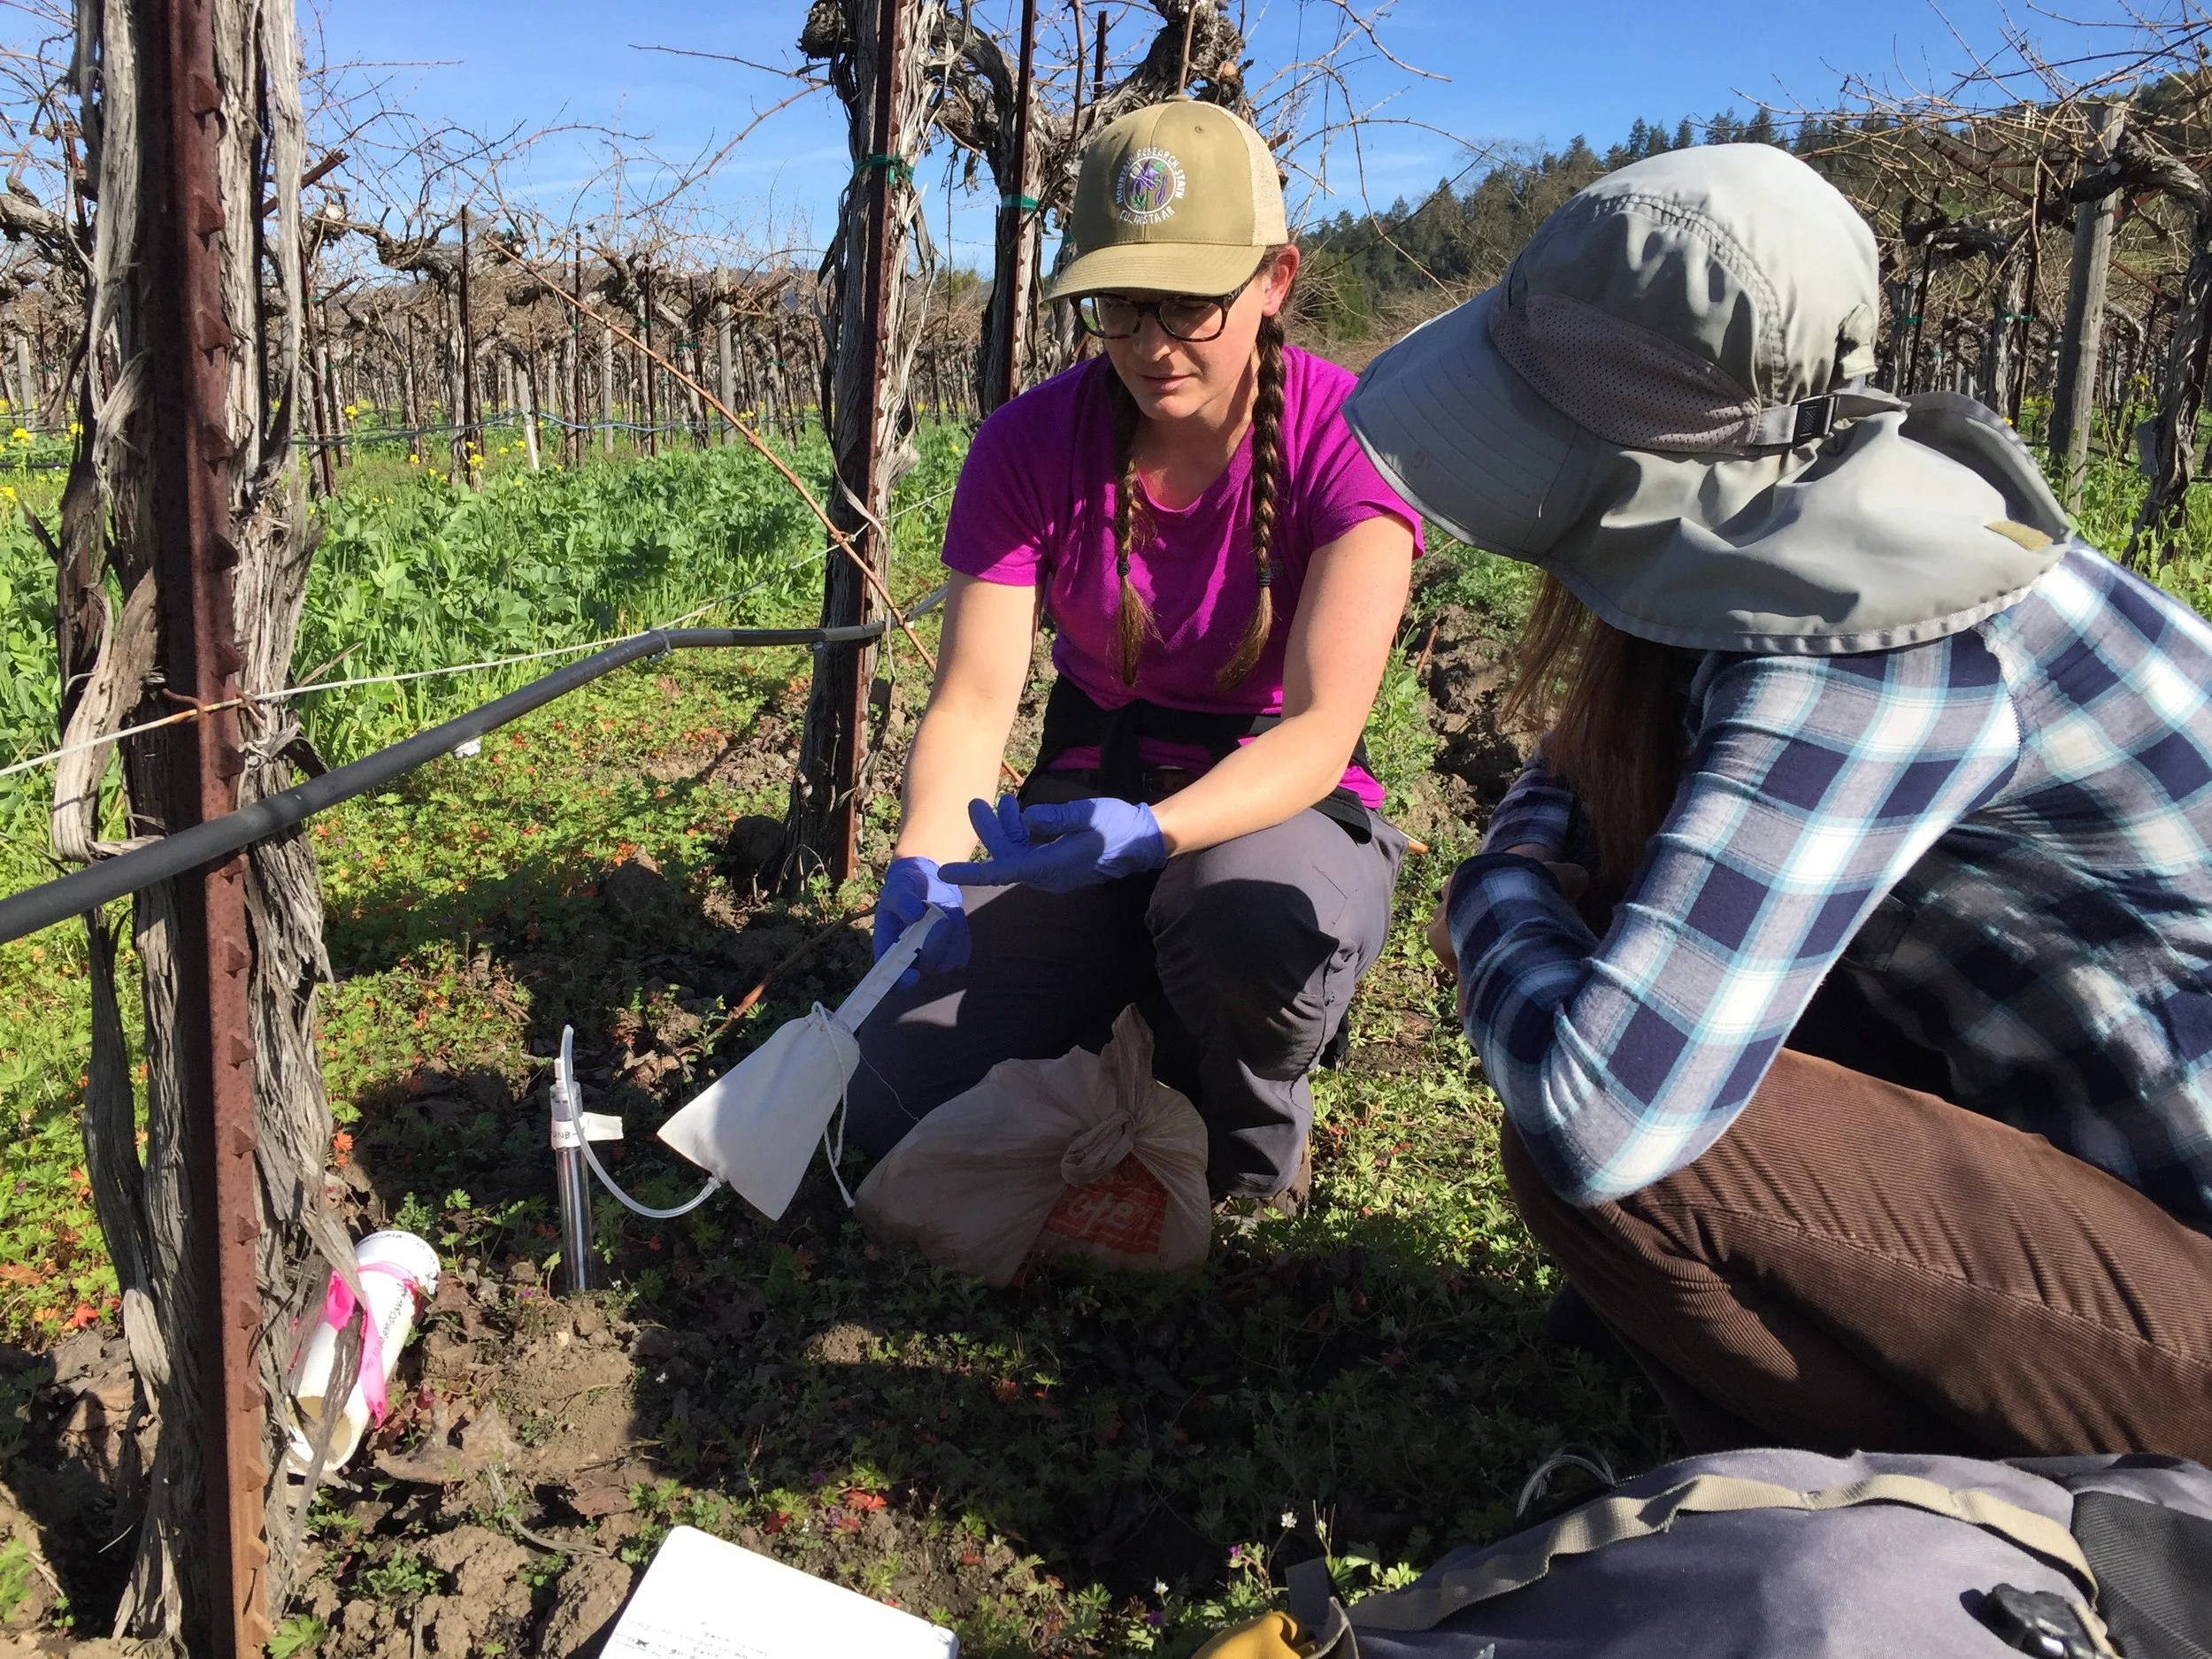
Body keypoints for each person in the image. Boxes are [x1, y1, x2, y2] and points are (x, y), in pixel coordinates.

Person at [1344, 142, 2212, 1461]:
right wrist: (1541, 837)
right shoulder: (1841, 530)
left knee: (1625, 1171)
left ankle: (1946, 1510)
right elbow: (1591, 780)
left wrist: (1487, 896)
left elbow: (1602, 1110)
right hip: (2131, 1169)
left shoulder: (1863, 657)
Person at [845, 100, 1422, 1203]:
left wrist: (1154, 834)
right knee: (886, 1099)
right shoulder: (1029, 443)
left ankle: (1253, 1139)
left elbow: (1317, 731)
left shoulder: (1350, 440)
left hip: (1270, 811)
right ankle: (1128, 995)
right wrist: (920, 861)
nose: (1152, 345)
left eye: (1190, 303)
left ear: (1275, 279)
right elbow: (972, 703)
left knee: (1239, 912)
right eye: (1117, 306)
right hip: (1084, 807)